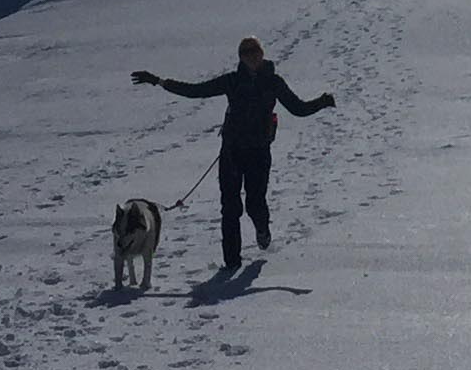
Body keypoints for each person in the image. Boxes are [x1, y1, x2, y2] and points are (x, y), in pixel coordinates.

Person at [132, 37, 337, 269]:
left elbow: (297, 108)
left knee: (254, 203)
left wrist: (321, 103)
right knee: (230, 208)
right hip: (231, 151)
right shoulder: (232, 81)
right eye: (246, 52)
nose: (251, 56)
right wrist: (159, 81)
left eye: (255, 51)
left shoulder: (273, 82)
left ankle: (262, 229)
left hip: (259, 152)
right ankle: (231, 263)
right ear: (240, 57)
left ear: (262, 54)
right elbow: (196, 91)